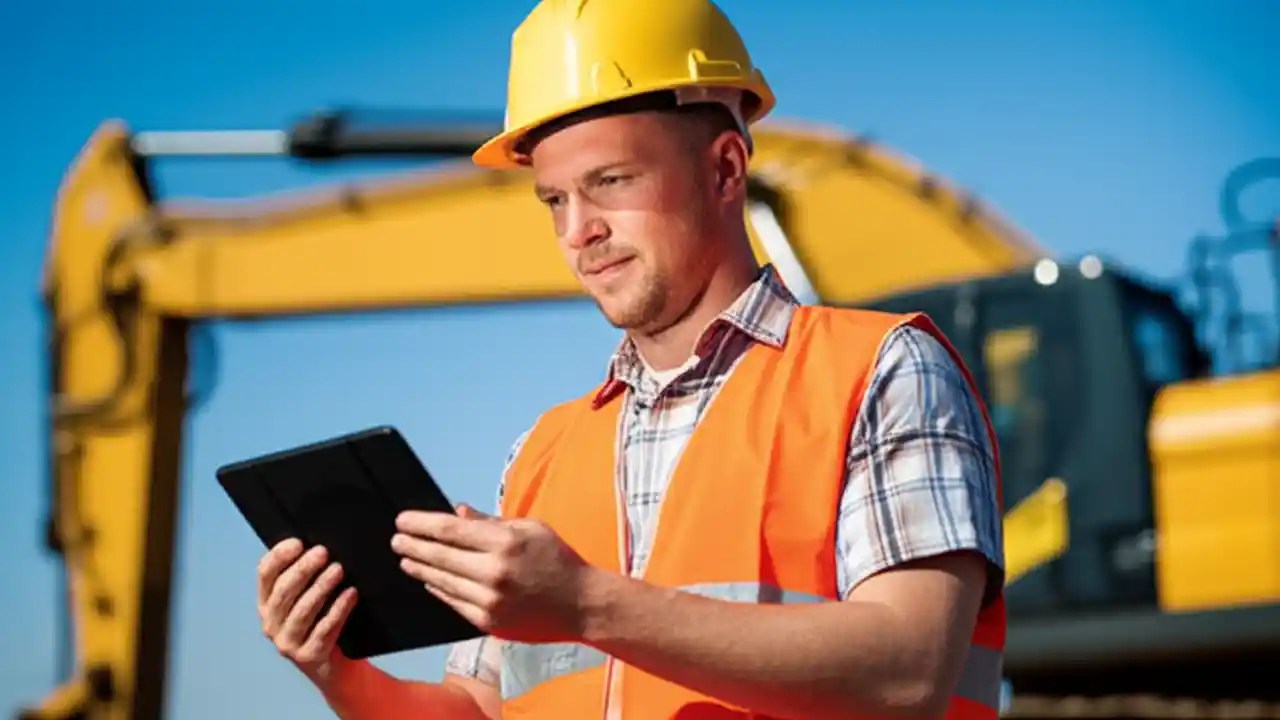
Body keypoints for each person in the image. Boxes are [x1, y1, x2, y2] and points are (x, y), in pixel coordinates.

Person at [254, 0, 1006, 718]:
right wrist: (340, 675)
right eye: (554, 201)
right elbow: (482, 710)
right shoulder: (543, 454)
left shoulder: (880, 371)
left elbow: (909, 671)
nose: (579, 231)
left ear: (724, 170)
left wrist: (585, 603)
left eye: (610, 182)